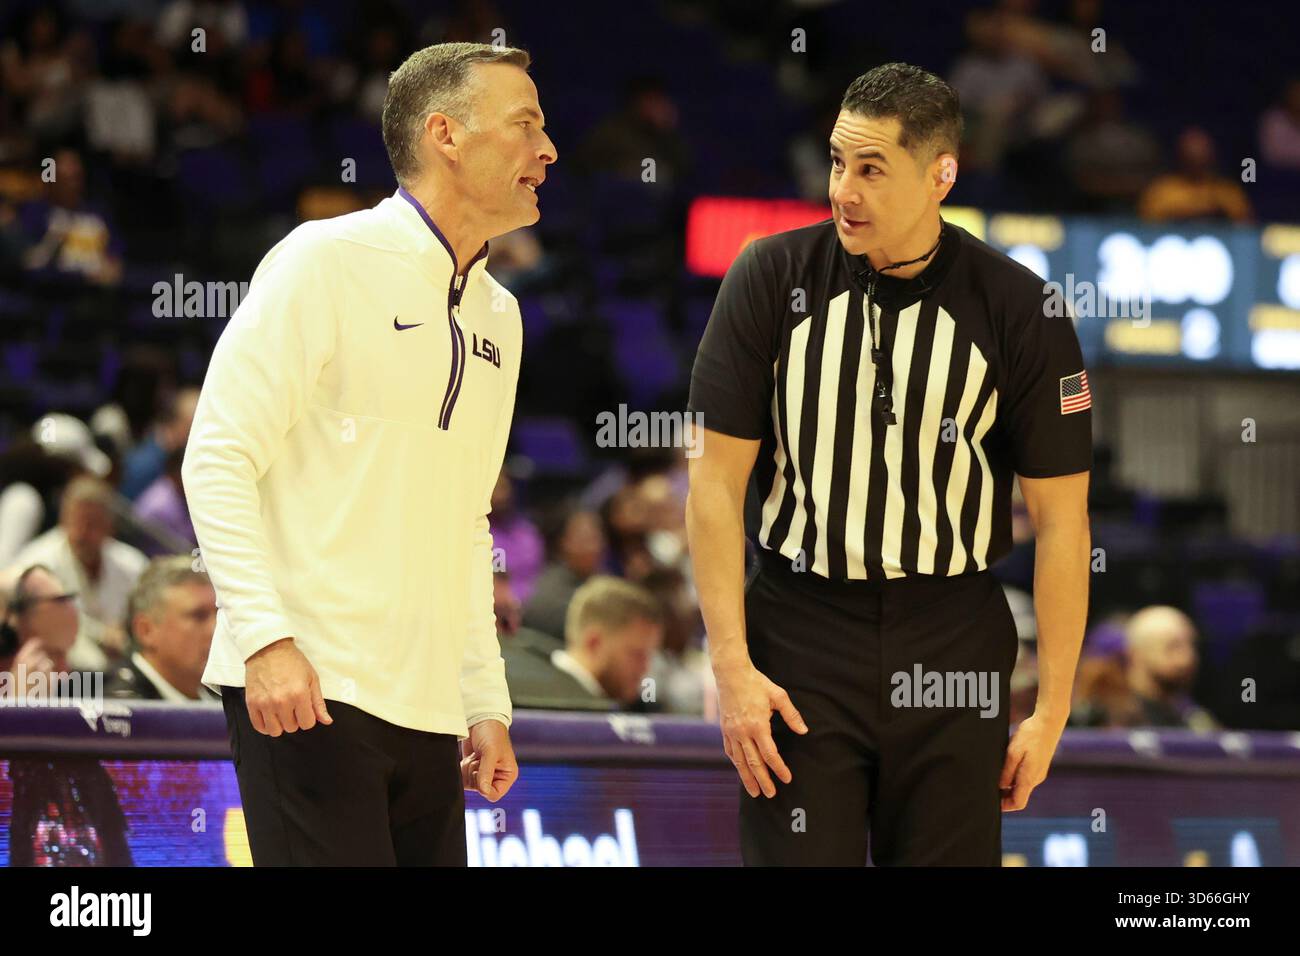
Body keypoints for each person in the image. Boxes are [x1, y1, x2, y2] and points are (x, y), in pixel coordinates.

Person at [686, 62, 1092, 866]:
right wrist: (730, 664)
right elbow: (714, 487)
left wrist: (1051, 709)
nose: (844, 189)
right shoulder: (769, 277)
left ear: (941, 175)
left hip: (953, 639)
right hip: (799, 635)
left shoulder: (1019, 308)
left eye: (871, 169)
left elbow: (1064, 523)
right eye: (838, 162)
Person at [181, 41, 555, 866]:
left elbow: (466, 520)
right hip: (307, 685)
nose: (548, 150)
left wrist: (483, 698)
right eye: (525, 125)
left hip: (428, 708)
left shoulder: (502, 315)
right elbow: (217, 456)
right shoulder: (325, 259)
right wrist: (266, 641)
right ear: (445, 134)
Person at [8, 473, 147, 673]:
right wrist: (102, 635)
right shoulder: (35, 563)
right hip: (58, 670)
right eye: (75, 522)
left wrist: (127, 632)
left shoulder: (132, 564)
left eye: (91, 524)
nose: (81, 533)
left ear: (109, 526)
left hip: (123, 667)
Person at [503, 575, 662, 710]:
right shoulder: (533, 699)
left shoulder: (601, 706)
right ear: (594, 643)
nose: (645, 668)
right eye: (636, 654)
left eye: (648, 655)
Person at [105, 555, 218, 701]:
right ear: (146, 631)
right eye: (198, 616)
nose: (216, 629)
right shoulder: (120, 712)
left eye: (220, 615)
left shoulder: (230, 699)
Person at [1123, 605, 1219, 731]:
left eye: (1192, 646)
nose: (1188, 659)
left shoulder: (1195, 720)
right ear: (1136, 655)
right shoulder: (1108, 719)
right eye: (1173, 647)